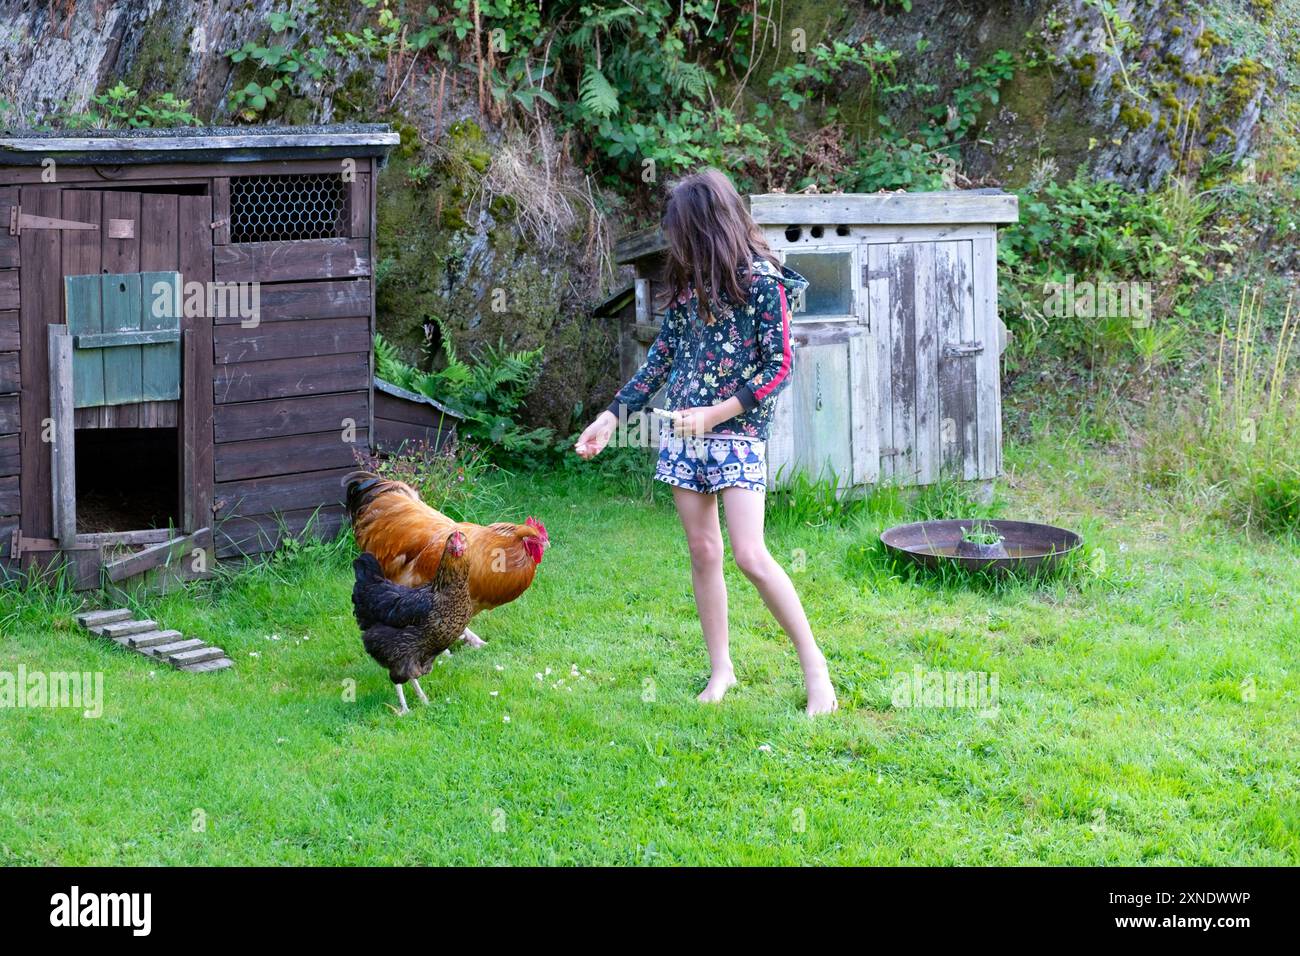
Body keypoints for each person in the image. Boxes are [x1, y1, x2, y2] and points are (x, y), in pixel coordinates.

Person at [574, 168, 837, 715]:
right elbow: (659, 364)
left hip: (737, 434)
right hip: (684, 438)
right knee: (704, 552)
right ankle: (722, 670)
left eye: (681, 234)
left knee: (750, 555)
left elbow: (780, 366)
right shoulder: (688, 291)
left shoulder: (764, 283)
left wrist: (716, 415)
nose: (675, 244)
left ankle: (816, 668)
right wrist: (610, 417)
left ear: (707, 228)